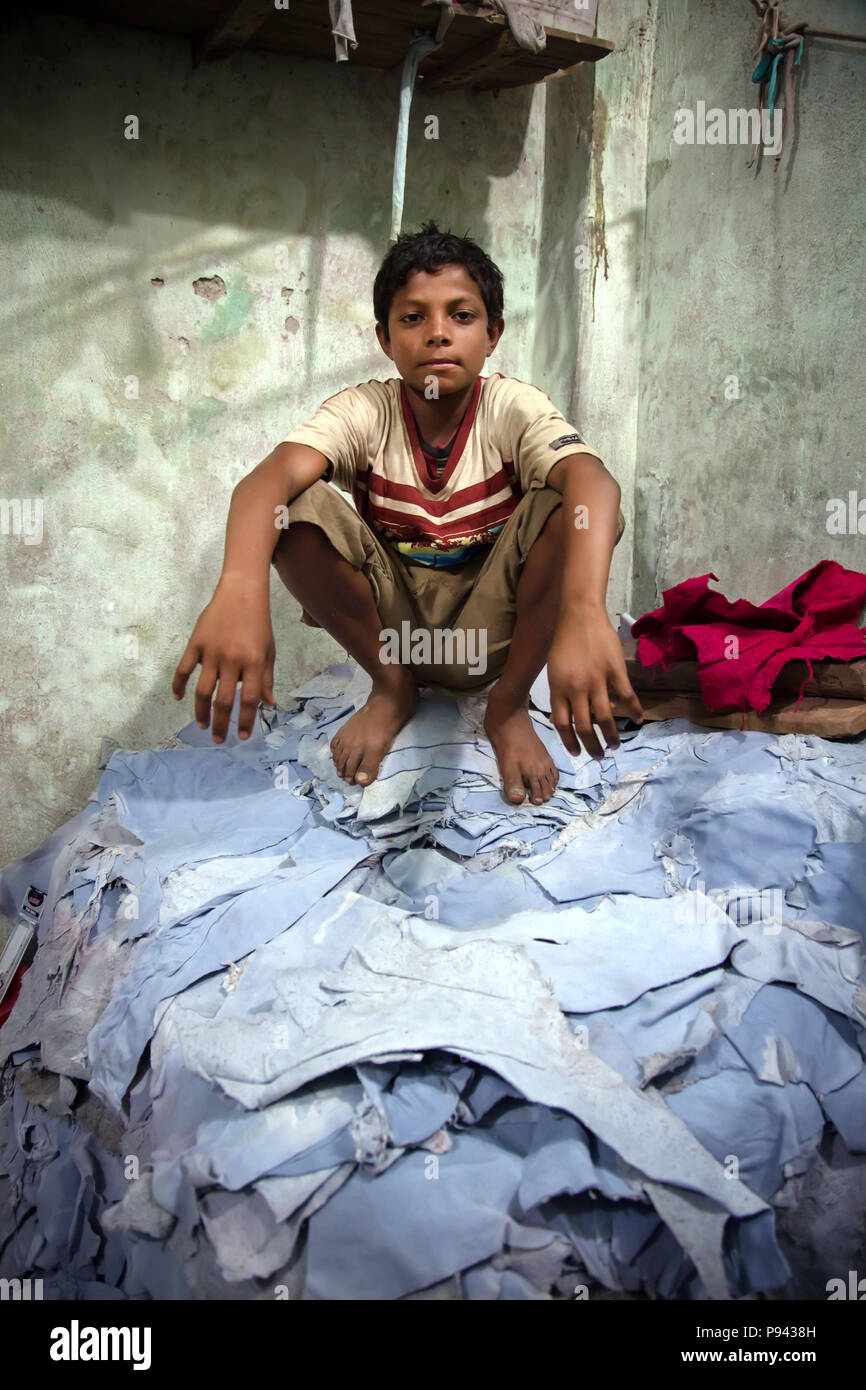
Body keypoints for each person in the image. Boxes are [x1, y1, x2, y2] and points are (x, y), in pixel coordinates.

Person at [172, 220, 644, 806]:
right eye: (413, 317)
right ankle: (393, 691)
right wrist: (238, 587)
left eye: (462, 315)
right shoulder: (366, 411)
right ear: (384, 338)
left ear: (493, 334)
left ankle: (507, 708)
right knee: (291, 508)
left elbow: (594, 484)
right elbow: (265, 481)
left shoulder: (509, 408)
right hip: (399, 641)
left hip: (487, 641)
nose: (438, 334)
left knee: (567, 504)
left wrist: (584, 610)